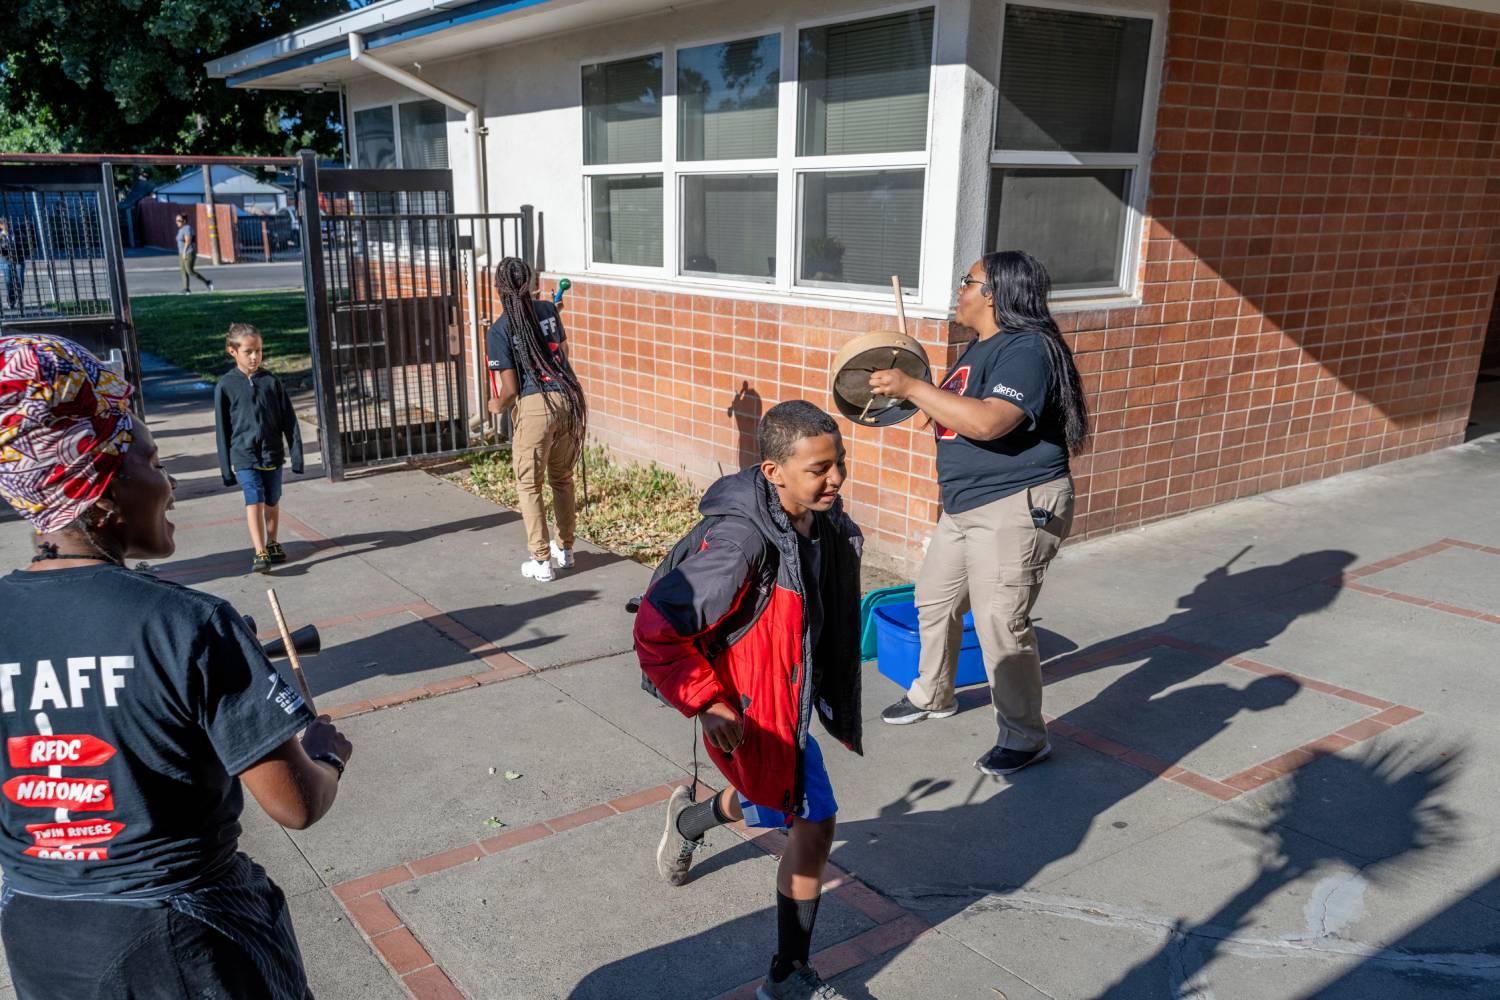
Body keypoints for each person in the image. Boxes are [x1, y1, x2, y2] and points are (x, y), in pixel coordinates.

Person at [0, 333, 351, 1000]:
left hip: (39, 937)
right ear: (100, 497)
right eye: (153, 462)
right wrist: (324, 752)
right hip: (183, 947)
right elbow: (297, 804)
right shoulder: (186, 624)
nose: (171, 482)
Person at [638, 400, 864, 1000]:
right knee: (814, 823)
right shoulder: (742, 543)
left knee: (776, 797)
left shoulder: (822, 518)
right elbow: (656, 630)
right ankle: (787, 978)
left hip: (784, 703)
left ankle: (691, 820)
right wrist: (706, 702)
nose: (835, 479)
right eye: (820, 469)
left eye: (838, 462)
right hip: (750, 712)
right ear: (773, 472)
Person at [868, 250, 1090, 776]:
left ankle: (1025, 736)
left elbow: (992, 422)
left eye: (968, 281)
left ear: (995, 294)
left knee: (999, 620)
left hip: (1018, 501)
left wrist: (914, 387)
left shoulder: (1028, 349)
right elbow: (954, 413)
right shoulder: (980, 348)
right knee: (934, 601)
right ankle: (932, 695)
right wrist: (910, 389)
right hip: (966, 503)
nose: (959, 290)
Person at [485, 256, 587, 583]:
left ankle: (542, 562)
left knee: (529, 484)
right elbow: (563, 355)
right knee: (561, 478)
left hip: (536, 406)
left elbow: (511, 389)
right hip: (568, 400)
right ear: (529, 283)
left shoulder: (500, 330)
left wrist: (495, 405)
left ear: (499, 289)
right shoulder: (547, 311)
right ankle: (565, 550)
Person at [215, 323, 304, 574]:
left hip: (272, 453)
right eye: (248, 352)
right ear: (232, 351)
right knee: (253, 498)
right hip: (243, 455)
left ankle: (272, 542)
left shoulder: (271, 382)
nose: (255, 357)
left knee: (272, 499)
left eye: (259, 351)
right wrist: (225, 469)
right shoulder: (225, 385)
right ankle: (259, 551)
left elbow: (290, 421)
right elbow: (222, 429)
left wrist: (296, 457)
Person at [175, 212, 215, 294]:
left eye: (179, 220)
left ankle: (207, 282)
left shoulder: (187, 228)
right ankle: (186, 289)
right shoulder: (181, 230)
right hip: (181, 252)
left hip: (188, 252)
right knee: (183, 271)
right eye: (176, 220)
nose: (177, 222)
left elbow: (188, 241)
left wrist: (184, 252)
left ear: (184, 221)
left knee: (189, 271)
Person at [0, 217, 25, 311]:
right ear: (1, 225)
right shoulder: (0, 236)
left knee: (20, 279)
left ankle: (20, 300)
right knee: (9, 281)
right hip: (5, 260)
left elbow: (25, 243)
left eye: (8, 223)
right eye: (4, 223)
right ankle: (11, 301)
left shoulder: (17, 233)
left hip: (19, 258)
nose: (7, 225)